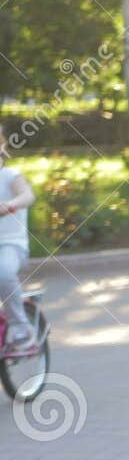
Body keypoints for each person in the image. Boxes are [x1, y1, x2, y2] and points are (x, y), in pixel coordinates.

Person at [0, 141, 37, 353]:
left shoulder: (10, 175)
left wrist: (11, 204)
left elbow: (27, 195)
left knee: (3, 273)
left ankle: (21, 328)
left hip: (11, 245)